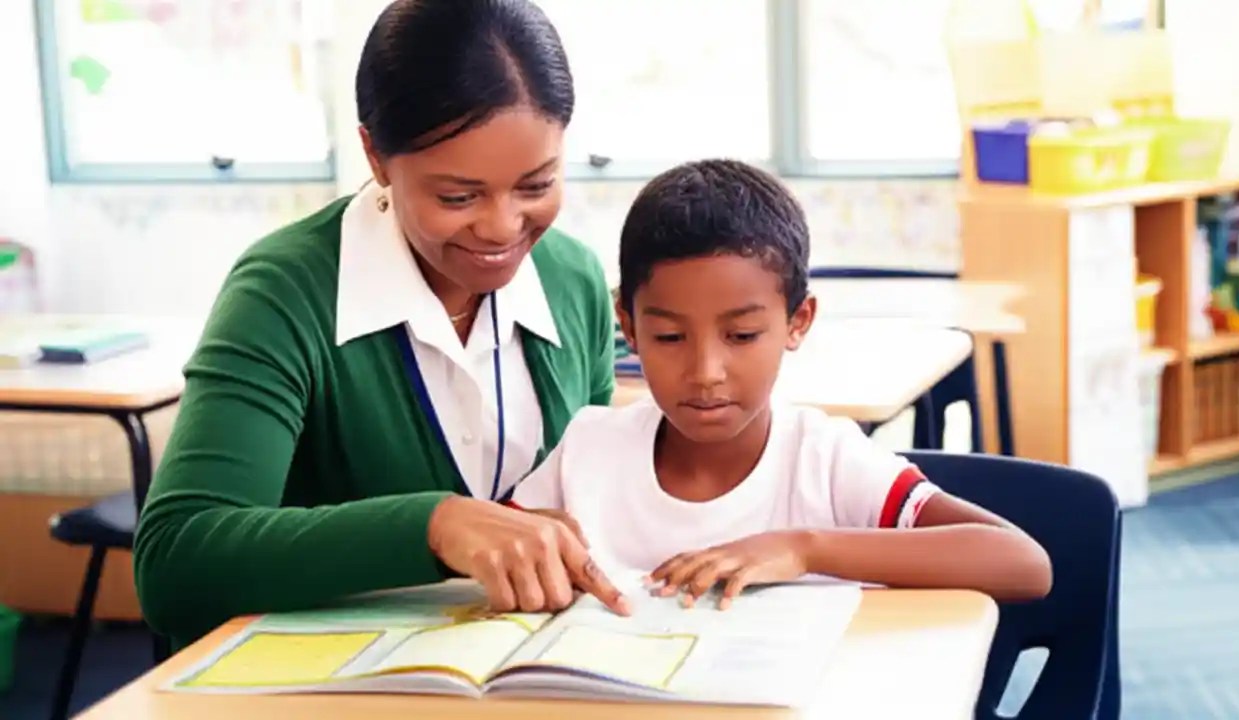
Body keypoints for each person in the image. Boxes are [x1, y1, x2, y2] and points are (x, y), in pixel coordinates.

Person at [135, 0, 629, 649]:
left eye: (536, 185)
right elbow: (177, 560)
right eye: (458, 196)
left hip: (524, 670)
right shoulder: (286, 291)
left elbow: (592, 487)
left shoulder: (573, 279)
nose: (503, 227)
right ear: (375, 155)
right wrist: (436, 526)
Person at [512, 159, 1053, 608]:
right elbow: (491, 559)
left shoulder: (824, 460)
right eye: (670, 337)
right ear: (627, 328)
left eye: (742, 335)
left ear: (798, 323)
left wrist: (805, 549)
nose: (705, 371)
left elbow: (1023, 563)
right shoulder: (586, 450)